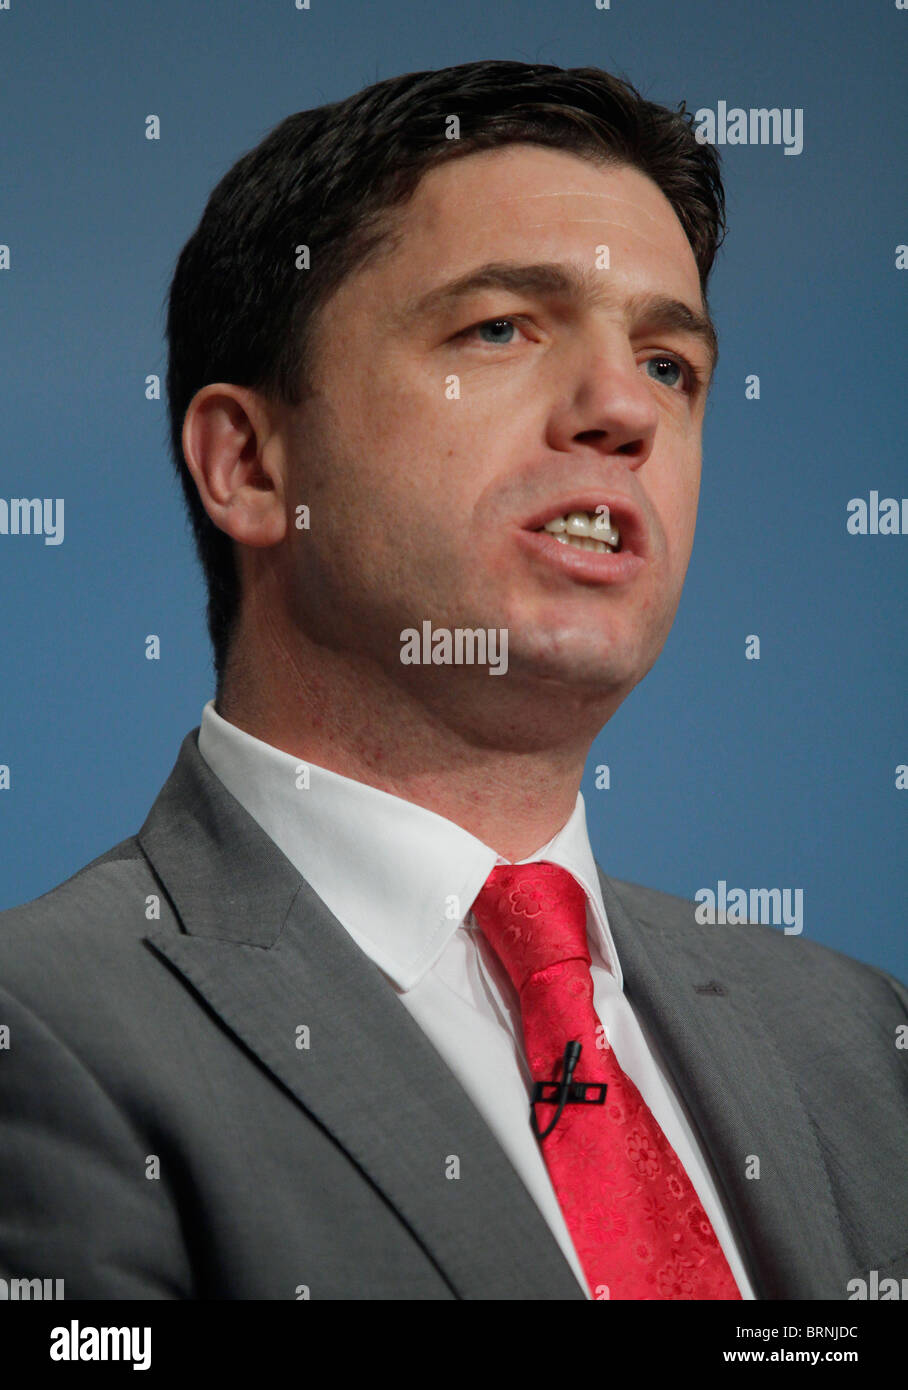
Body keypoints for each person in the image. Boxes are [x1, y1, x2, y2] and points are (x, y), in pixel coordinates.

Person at [0, 59, 905, 1302]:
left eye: (667, 364)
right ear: (251, 465)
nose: (620, 412)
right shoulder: (41, 1031)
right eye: (499, 329)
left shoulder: (858, 1040)